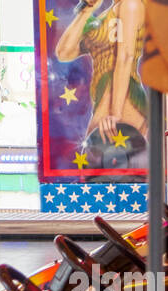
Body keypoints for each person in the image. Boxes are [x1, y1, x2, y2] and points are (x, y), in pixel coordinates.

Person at [55, 0, 148, 167]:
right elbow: (64, 52)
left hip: (123, 98)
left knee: (109, 171)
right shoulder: (102, 18)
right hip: (104, 98)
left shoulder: (131, 5)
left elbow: (125, 57)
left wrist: (116, 112)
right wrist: (86, 10)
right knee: (99, 169)